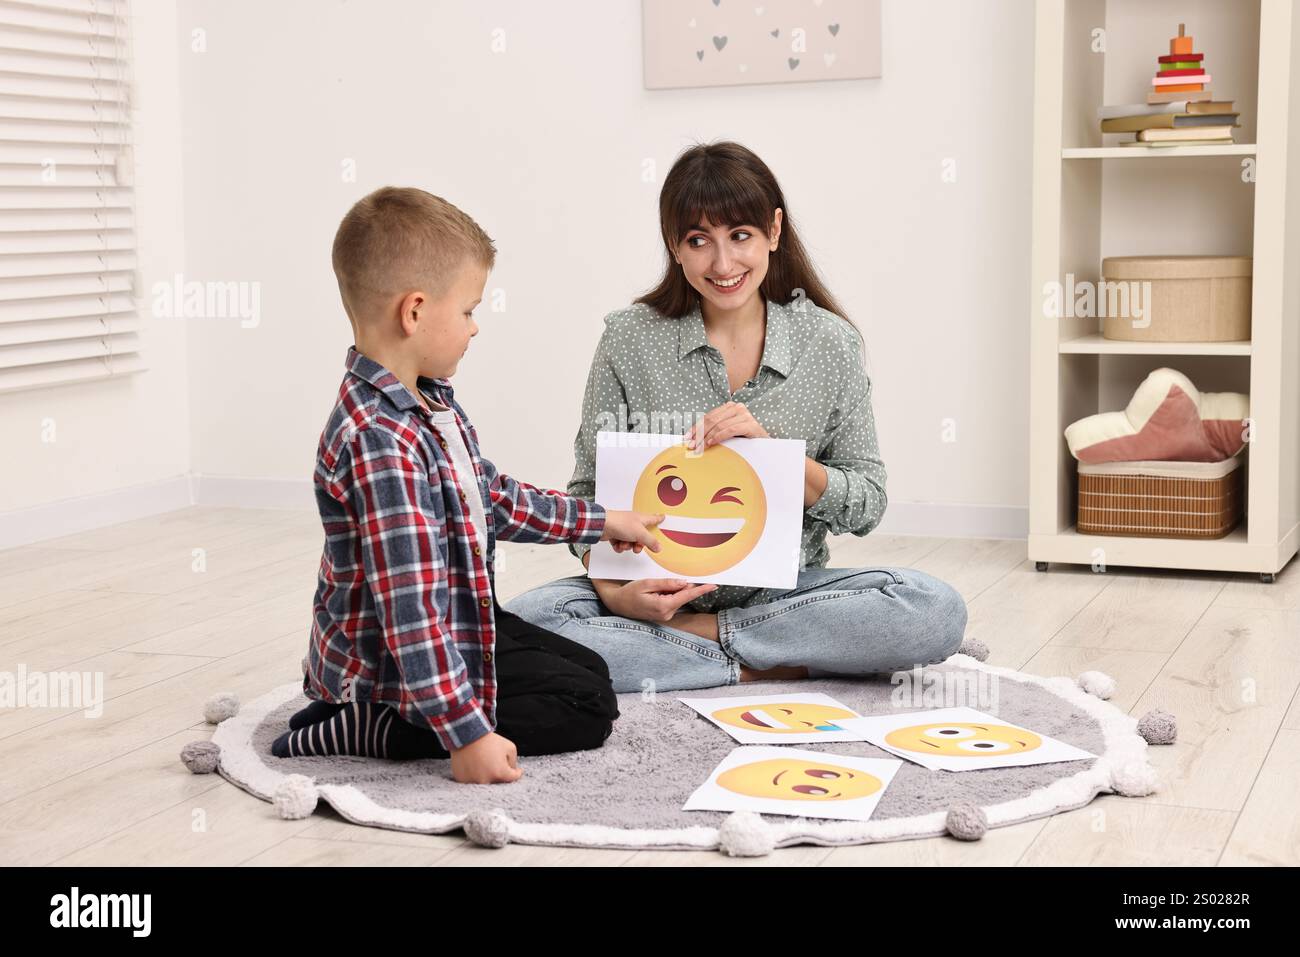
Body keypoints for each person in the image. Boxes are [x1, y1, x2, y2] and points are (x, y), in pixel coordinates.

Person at [506, 142, 968, 692]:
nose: (723, 265)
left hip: (786, 594)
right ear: (674, 248)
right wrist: (611, 589)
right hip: (646, 592)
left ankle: (697, 644)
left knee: (933, 609)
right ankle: (775, 664)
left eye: (740, 236)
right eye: (699, 241)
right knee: (525, 622)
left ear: (774, 231)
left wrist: (779, 462)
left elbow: (867, 503)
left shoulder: (829, 342)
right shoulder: (628, 337)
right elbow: (586, 492)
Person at [276, 187, 664, 784]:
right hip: (394, 660)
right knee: (585, 708)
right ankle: (375, 724)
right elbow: (409, 612)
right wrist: (467, 734)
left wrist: (603, 520)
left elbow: (492, 497)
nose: (475, 327)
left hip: (460, 615)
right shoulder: (382, 441)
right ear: (414, 312)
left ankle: (371, 711)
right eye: (468, 311)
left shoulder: (428, 403)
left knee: (589, 670)